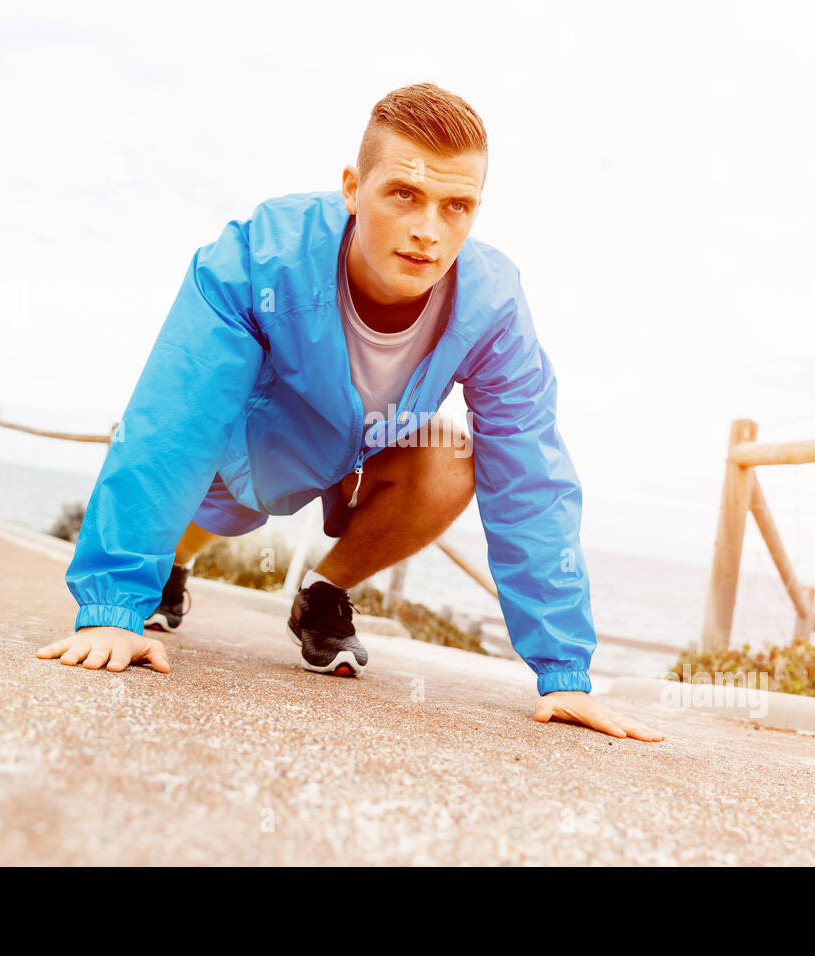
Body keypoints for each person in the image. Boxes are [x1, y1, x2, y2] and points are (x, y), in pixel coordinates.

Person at [37, 82, 662, 742]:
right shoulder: (260, 256)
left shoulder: (492, 304)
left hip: (369, 445)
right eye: (404, 195)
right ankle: (168, 567)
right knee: (219, 505)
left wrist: (565, 673)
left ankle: (324, 595)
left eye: (457, 206)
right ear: (352, 188)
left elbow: (530, 475)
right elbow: (173, 420)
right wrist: (112, 608)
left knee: (452, 459)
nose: (429, 230)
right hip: (253, 441)